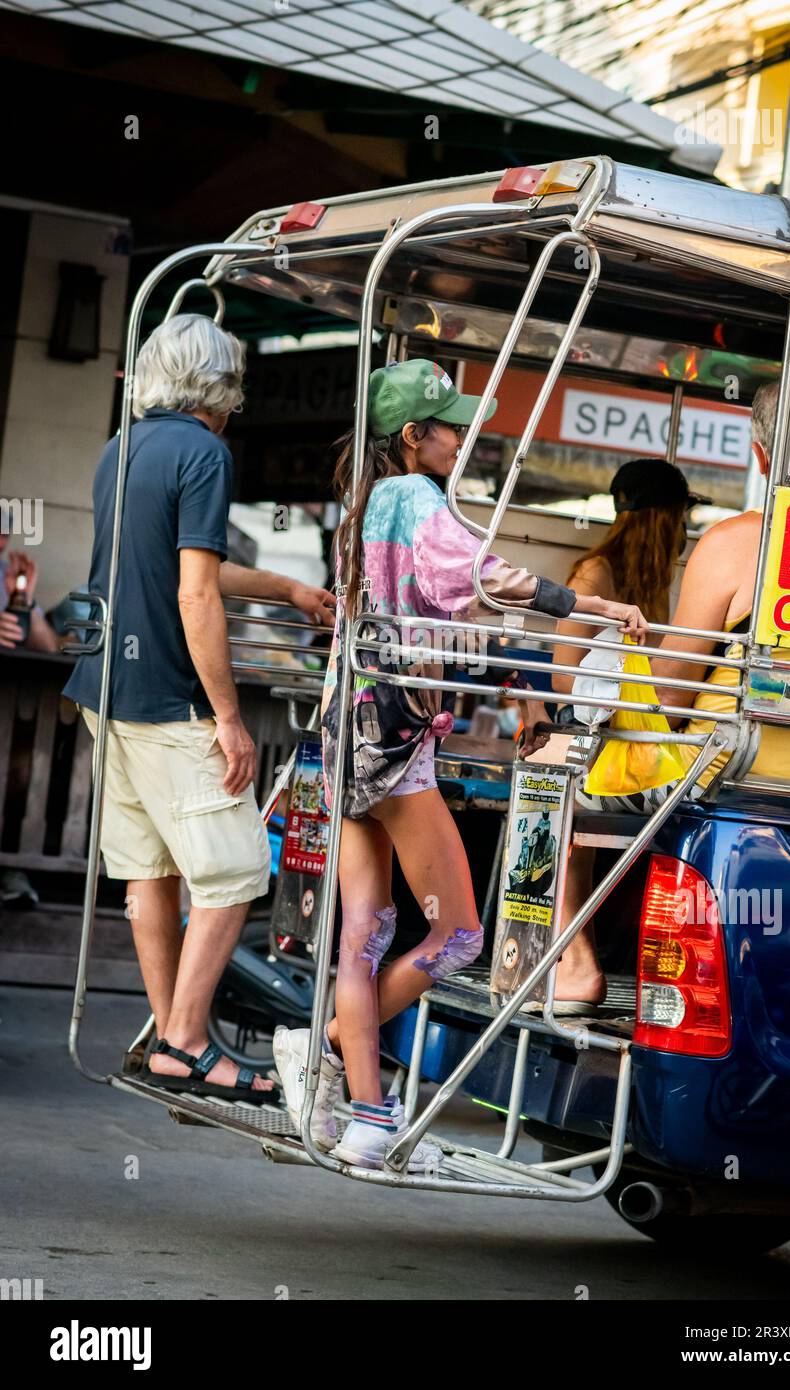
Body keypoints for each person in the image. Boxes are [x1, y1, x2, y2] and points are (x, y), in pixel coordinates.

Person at [272, 357, 647, 1170]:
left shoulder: (363, 505)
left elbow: (446, 610)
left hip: (350, 735)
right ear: (414, 437)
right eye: (450, 427)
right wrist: (598, 606)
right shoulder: (414, 497)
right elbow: (491, 579)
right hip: (399, 745)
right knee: (461, 935)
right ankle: (334, 1047)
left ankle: (366, 1112)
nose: (462, 439)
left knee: (362, 941)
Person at [65, 313, 335, 1103]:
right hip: (166, 704)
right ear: (218, 387)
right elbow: (192, 593)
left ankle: (167, 1036)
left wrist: (286, 588)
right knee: (235, 873)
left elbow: (188, 570)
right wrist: (226, 715)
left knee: (147, 870)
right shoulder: (204, 452)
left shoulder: (124, 447)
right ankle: (184, 1040)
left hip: (104, 690)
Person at [536, 459, 701, 1015]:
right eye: (681, 518)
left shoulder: (649, 583)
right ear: (665, 518)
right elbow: (563, 675)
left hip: (635, 744)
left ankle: (581, 956)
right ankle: (571, 955)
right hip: (594, 738)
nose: (684, 533)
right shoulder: (596, 573)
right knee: (560, 811)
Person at [652, 377, 790, 790]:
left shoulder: (735, 541)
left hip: (729, 774)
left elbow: (669, 697)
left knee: (568, 782)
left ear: (761, 457)